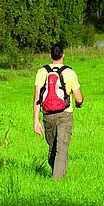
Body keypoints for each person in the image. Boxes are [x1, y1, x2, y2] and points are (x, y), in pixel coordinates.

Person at [33, 43, 83, 180]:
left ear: (50, 56)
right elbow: (78, 98)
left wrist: (36, 120)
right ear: (63, 55)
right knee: (61, 146)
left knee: (53, 146)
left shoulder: (42, 72)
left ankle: (57, 174)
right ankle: (57, 180)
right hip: (65, 114)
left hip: (47, 115)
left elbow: (37, 98)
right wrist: (79, 103)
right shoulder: (70, 73)